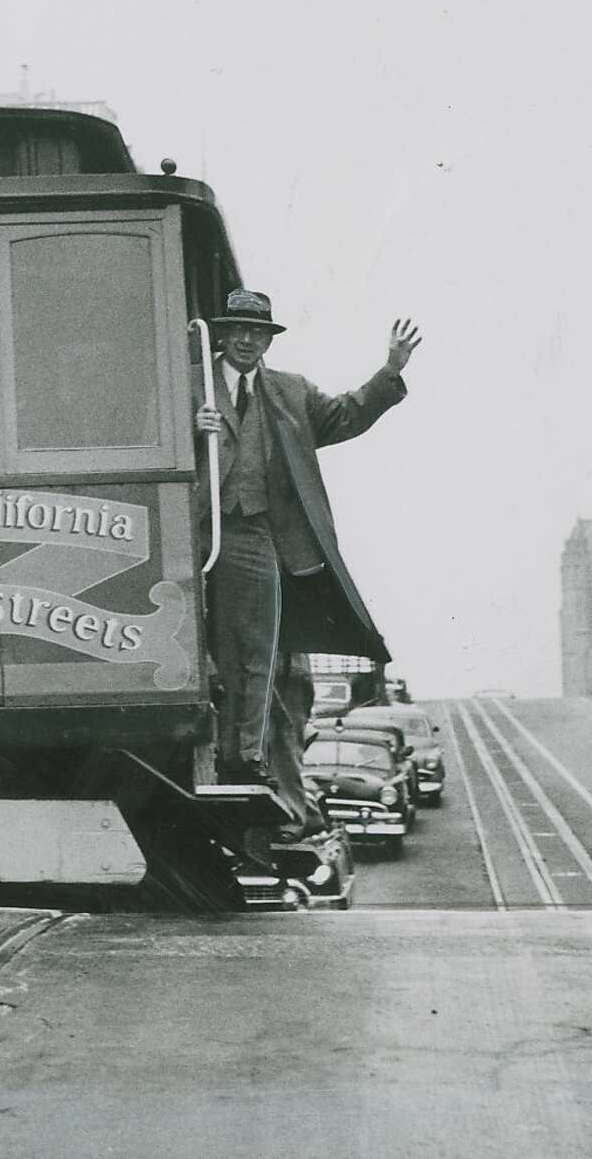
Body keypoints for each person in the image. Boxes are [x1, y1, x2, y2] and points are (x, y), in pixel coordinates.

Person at [194, 289, 419, 831]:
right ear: (222, 335)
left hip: (257, 534)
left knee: (257, 649)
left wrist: (390, 371)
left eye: (259, 333)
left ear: (268, 340)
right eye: (239, 331)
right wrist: (189, 431)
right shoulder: (189, 382)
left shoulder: (289, 392)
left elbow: (344, 415)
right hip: (195, 529)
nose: (248, 341)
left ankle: (243, 753)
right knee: (211, 651)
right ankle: (227, 749)